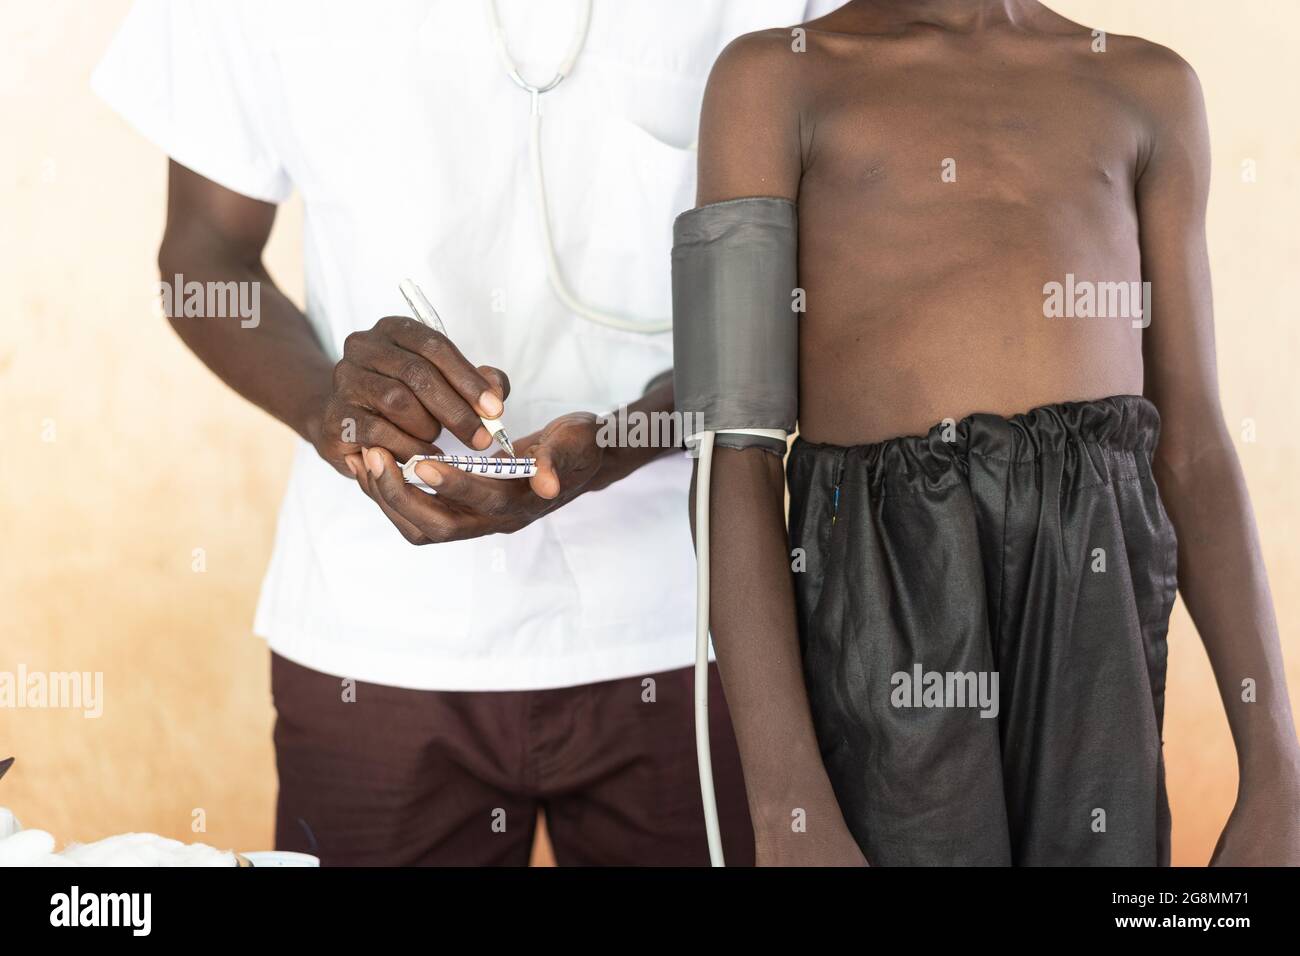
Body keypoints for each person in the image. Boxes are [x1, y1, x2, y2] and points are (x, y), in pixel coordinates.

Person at [92, 0, 839, 866]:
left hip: (687, 628)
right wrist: (331, 407)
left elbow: (823, 273)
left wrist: (619, 444)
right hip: (372, 637)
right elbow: (202, 255)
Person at [695, 0, 1300, 865]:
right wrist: (785, 805)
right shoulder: (772, 79)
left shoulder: (1149, 87)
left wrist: (1278, 771)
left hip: (1094, 595)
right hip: (889, 599)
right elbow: (733, 451)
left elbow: (1194, 446)